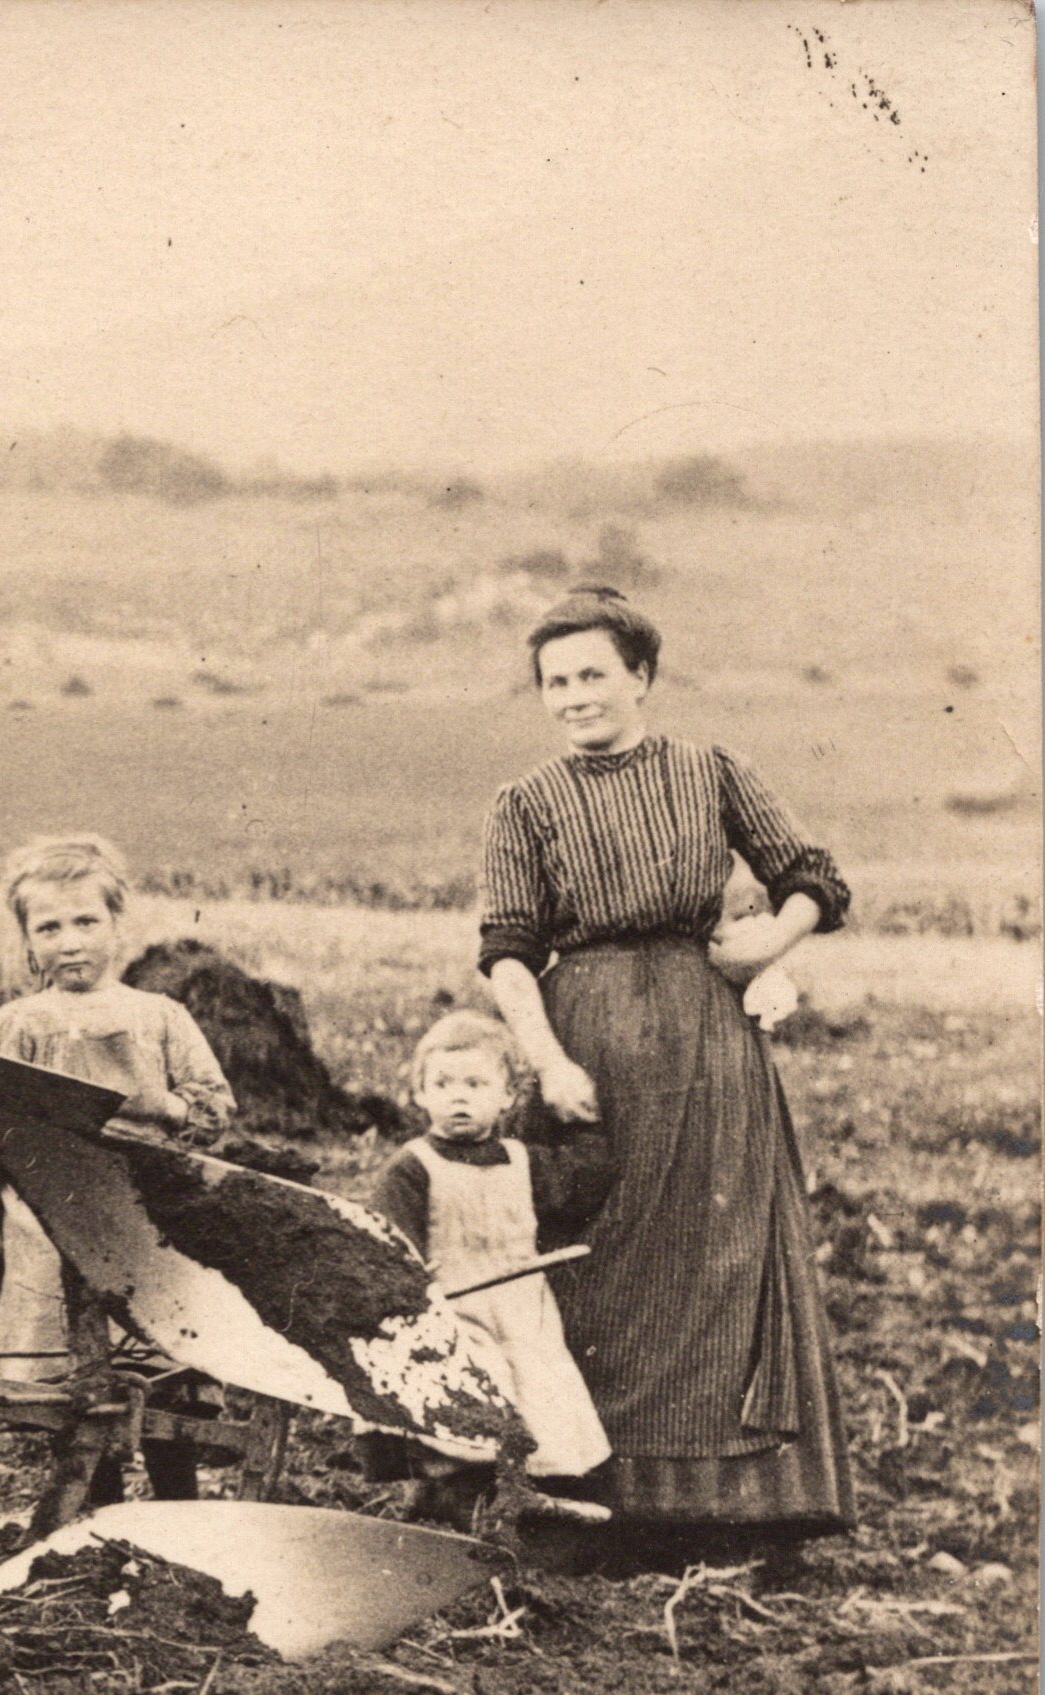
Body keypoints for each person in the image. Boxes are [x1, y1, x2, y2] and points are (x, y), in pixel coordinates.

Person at [477, 586, 855, 1537]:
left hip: (706, 1040)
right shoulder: (524, 804)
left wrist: (773, 944)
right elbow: (509, 950)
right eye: (555, 682)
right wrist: (547, 1060)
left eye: (593, 674)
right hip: (588, 1039)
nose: (573, 697)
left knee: (717, 1256)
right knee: (591, 1261)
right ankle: (584, 1499)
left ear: (641, 676)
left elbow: (813, 876)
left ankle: (730, 1510)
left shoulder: (709, 768)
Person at [0, 836, 235, 1407]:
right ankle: (94, 1494)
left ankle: (172, 1492)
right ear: (28, 940)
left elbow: (215, 1109)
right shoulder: (22, 1024)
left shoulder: (159, 1017)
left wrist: (165, 1105)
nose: (70, 943)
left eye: (86, 922)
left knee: (161, 1375)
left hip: (146, 1217)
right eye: (49, 928)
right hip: (45, 1227)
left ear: (117, 924)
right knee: (71, 1390)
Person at [361, 1010, 615, 1522]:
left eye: (476, 1084)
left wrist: (585, 1122)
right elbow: (386, 1242)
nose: (458, 1097)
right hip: (454, 1307)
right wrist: (411, 1286)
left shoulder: (523, 1161)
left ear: (507, 1097)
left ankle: (524, 1497)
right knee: (468, 1392)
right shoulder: (412, 1168)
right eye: (443, 1084)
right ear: (420, 1094)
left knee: (543, 1393)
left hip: (523, 1311)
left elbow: (585, 1178)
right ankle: (448, 1493)